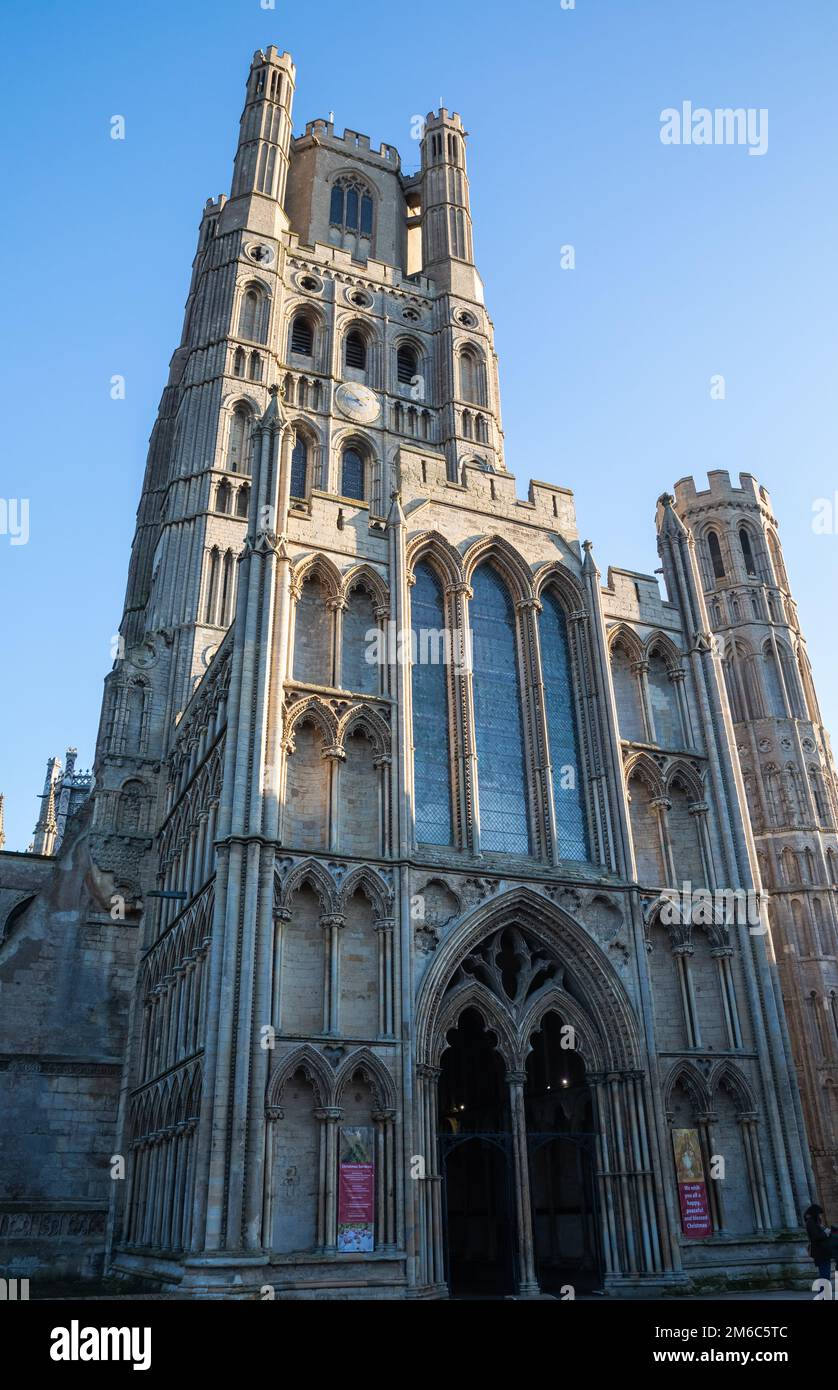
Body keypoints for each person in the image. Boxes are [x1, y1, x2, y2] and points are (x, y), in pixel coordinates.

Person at [804, 1203, 832, 1282]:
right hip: (820, 1252)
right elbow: (816, 1236)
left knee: (825, 1273)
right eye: (819, 1214)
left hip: (823, 1251)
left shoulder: (816, 1222)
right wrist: (826, 1233)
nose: (820, 1216)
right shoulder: (811, 1222)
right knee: (824, 1274)